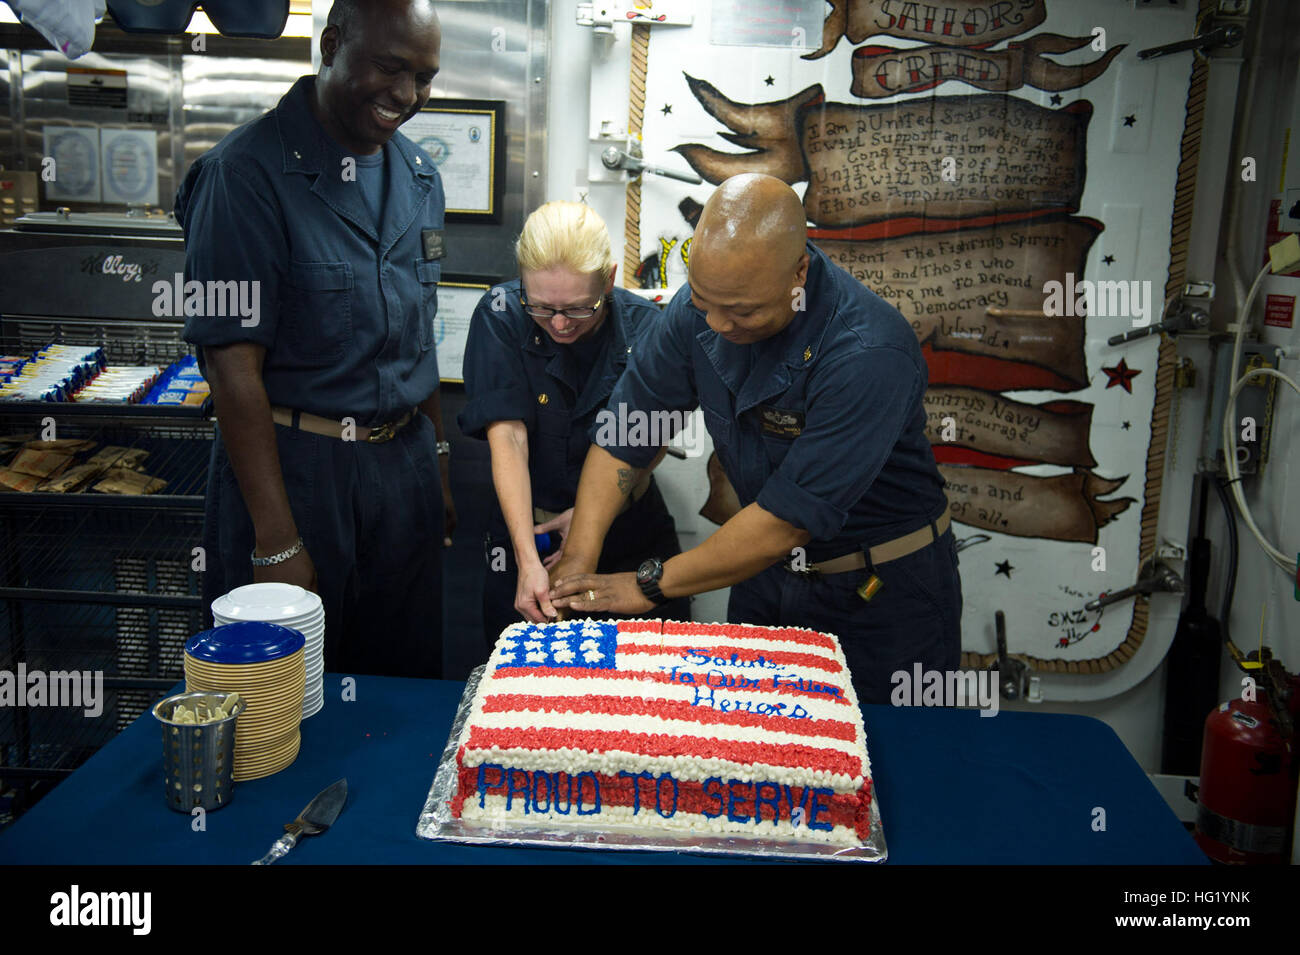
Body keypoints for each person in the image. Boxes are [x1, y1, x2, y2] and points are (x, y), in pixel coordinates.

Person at [548, 173, 962, 705]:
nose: (717, 324)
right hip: (763, 576)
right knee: (751, 753)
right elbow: (627, 435)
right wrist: (579, 562)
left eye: (743, 311)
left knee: (881, 768)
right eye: (703, 301)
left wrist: (645, 583)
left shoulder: (868, 353)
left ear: (799, 272)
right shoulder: (700, 308)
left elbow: (785, 522)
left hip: (878, 595)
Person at [176, 0, 454, 678]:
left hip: (403, 468)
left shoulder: (419, 175)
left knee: (403, 680)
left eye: (424, 77)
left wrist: (437, 462)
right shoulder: (243, 175)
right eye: (390, 68)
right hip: (298, 472)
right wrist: (275, 540)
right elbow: (231, 366)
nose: (406, 96)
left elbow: (421, 334)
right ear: (332, 45)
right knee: (282, 689)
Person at [459, 201, 690, 652]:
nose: (560, 324)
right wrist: (528, 560)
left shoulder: (648, 329)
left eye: (580, 309)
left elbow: (652, 438)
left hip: (630, 531)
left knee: (645, 688)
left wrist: (591, 519)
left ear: (608, 278)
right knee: (525, 689)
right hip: (530, 532)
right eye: (542, 308)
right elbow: (507, 436)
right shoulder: (501, 314)